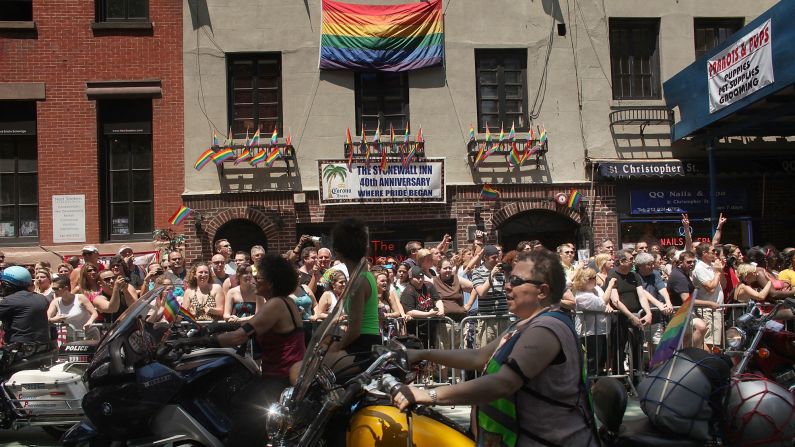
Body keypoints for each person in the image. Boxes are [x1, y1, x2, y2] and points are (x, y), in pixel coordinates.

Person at [393, 250, 598, 446]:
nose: (507, 285)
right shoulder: (522, 325)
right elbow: (478, 356)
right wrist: (422, 354)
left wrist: (429, 395)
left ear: (542, 291)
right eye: (509, 278)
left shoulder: (547, 328)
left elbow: (504, 383)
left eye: (516, 281)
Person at [188, 254, 308, 445]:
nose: (254, 280)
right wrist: (213, 328)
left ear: (270, 282)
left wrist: (196, 342)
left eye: (259, 278)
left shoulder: (276, 304)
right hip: (280, 375)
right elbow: (250, 324)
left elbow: (239, 336)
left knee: (241, 413)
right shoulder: (284, 302)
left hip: (279, 378)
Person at [606, 249, 652, 376]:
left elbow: (642, 295)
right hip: (620, 318)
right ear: (621, 261)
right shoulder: (612, 276)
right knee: (619, 350)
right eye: (631, 259)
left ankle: (637, 377)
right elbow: (615, 301)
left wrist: (648, 313)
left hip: (637, 317)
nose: (633, 262)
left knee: (637, 349)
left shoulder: (635, 276)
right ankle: (619, 379)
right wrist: (630, 316)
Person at [571, 268, 615, 376]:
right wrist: (610, 286)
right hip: (589, 332)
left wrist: (608, 305)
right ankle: (590, 387)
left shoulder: (597, 289)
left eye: (594, 277)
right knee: (592, 361)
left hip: (603, 330)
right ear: (582, 280)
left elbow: (605, 301)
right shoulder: (581, 296)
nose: (594, 280)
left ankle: (598, 384)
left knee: (601, 359)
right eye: (591, 278)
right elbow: (601, 304)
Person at [666, 251, 708, 349]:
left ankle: (690, 354)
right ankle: (686, 355)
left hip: (686, 313)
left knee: (697, 332)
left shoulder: (684, 274)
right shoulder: (679, 276)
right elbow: (687, 300)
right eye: (689, 262)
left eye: (694, 262)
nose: (692, 264)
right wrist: (710, 304)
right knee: (695, 332)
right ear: (681, 262)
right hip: (678, 314)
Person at [0, 266, 51, 345]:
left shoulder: (9, 301)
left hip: (19, 351)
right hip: (42, 349)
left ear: (7, 285)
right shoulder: (41, 298)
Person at [471, 245, 508, 348]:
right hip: (488, 321)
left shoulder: (501, 272)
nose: (497, 260)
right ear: (485, 258)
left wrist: (508, 275)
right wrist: (491, 275)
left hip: (504, 318)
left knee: (503, 351)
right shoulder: (477, 272)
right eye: (493, 258)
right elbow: (482, 293)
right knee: (486, 353)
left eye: (498, 257)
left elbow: (508, 292)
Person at [692, 244, 725, 349]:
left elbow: (724, 285)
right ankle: (705, 364)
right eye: (713, 251)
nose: (715, 253)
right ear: (704, 253)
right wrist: (718, 273)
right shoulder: (699, 268)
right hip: (708, 311)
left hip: (717, 309)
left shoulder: (713, 266)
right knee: (709, 342)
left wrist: (721, 270)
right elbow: (710, 288)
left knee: (715, 343)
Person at [400, 265, 442, 347]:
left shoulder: (429, 285)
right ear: (411, 278)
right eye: (417, 278)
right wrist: (428, 314)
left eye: (422, 277)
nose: (420, 280)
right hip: (416, 330)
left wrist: (441, 310)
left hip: (431, 328)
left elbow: (437, 299)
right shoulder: (408, 291)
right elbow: (410, 311)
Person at [47, 276, 99, 341]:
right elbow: (47, 319)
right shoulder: (55, 302)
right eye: (53, 289)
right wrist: (54, 320)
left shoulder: (80, 298)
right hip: (72, 337)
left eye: (56, 288)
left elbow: (94, 313)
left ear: (66, 288)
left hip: (89, 335)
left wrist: (90, 322)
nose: (54, 291)